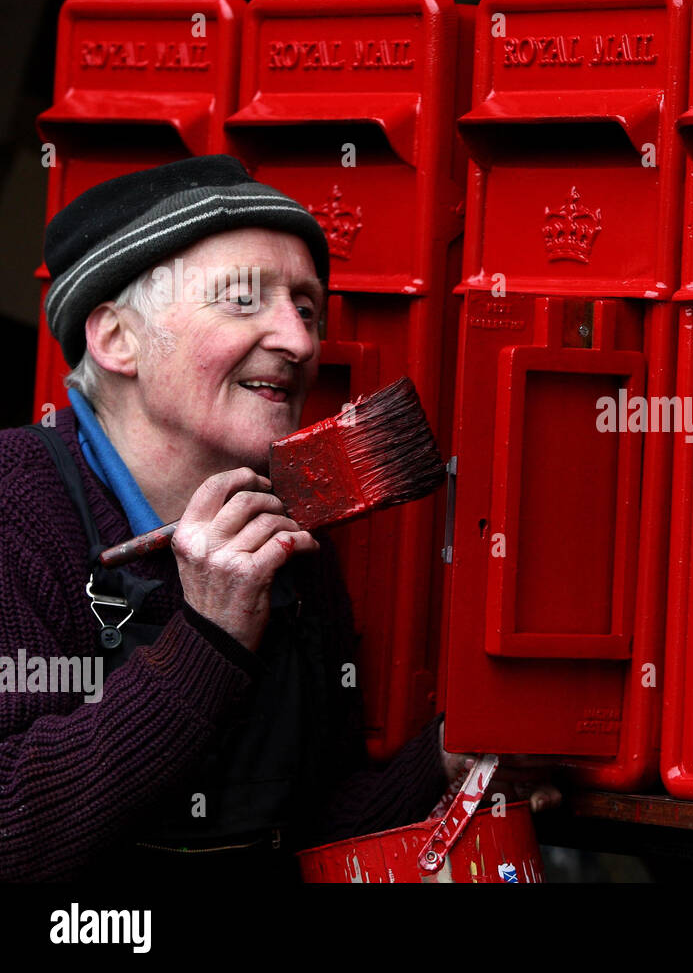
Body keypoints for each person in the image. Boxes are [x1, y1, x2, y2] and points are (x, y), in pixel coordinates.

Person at [0, 156, 557, 884]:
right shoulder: (16, 503)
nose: (297, 341)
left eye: (306, 309)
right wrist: (209, 638)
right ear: (116, 340)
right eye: (242, 300)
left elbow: (310, 832)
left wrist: (446, 757)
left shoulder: (288, 536)